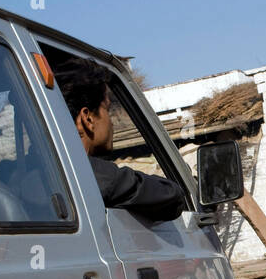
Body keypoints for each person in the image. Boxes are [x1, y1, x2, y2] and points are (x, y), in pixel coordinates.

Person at [58, 58, 185, 220]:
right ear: (87, 119)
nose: (111, 122)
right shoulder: (95, 176)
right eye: (107, 110)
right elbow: (171, 197)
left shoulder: (26, 176)